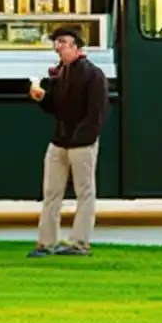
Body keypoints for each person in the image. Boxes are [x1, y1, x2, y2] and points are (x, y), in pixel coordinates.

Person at [28, 27, 109, 258]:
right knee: (51, 193)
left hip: (80, 142)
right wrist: (43, 98)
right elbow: (56, 107)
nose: (58, 46)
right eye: (56, 42)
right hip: (61, 140)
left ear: (77, 47)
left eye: (63, 42)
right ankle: (46, 242)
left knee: (84, 193)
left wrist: (82, 138)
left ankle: (80, 242)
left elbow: (96, 113)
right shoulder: (61, 73)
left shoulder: (93, 75)